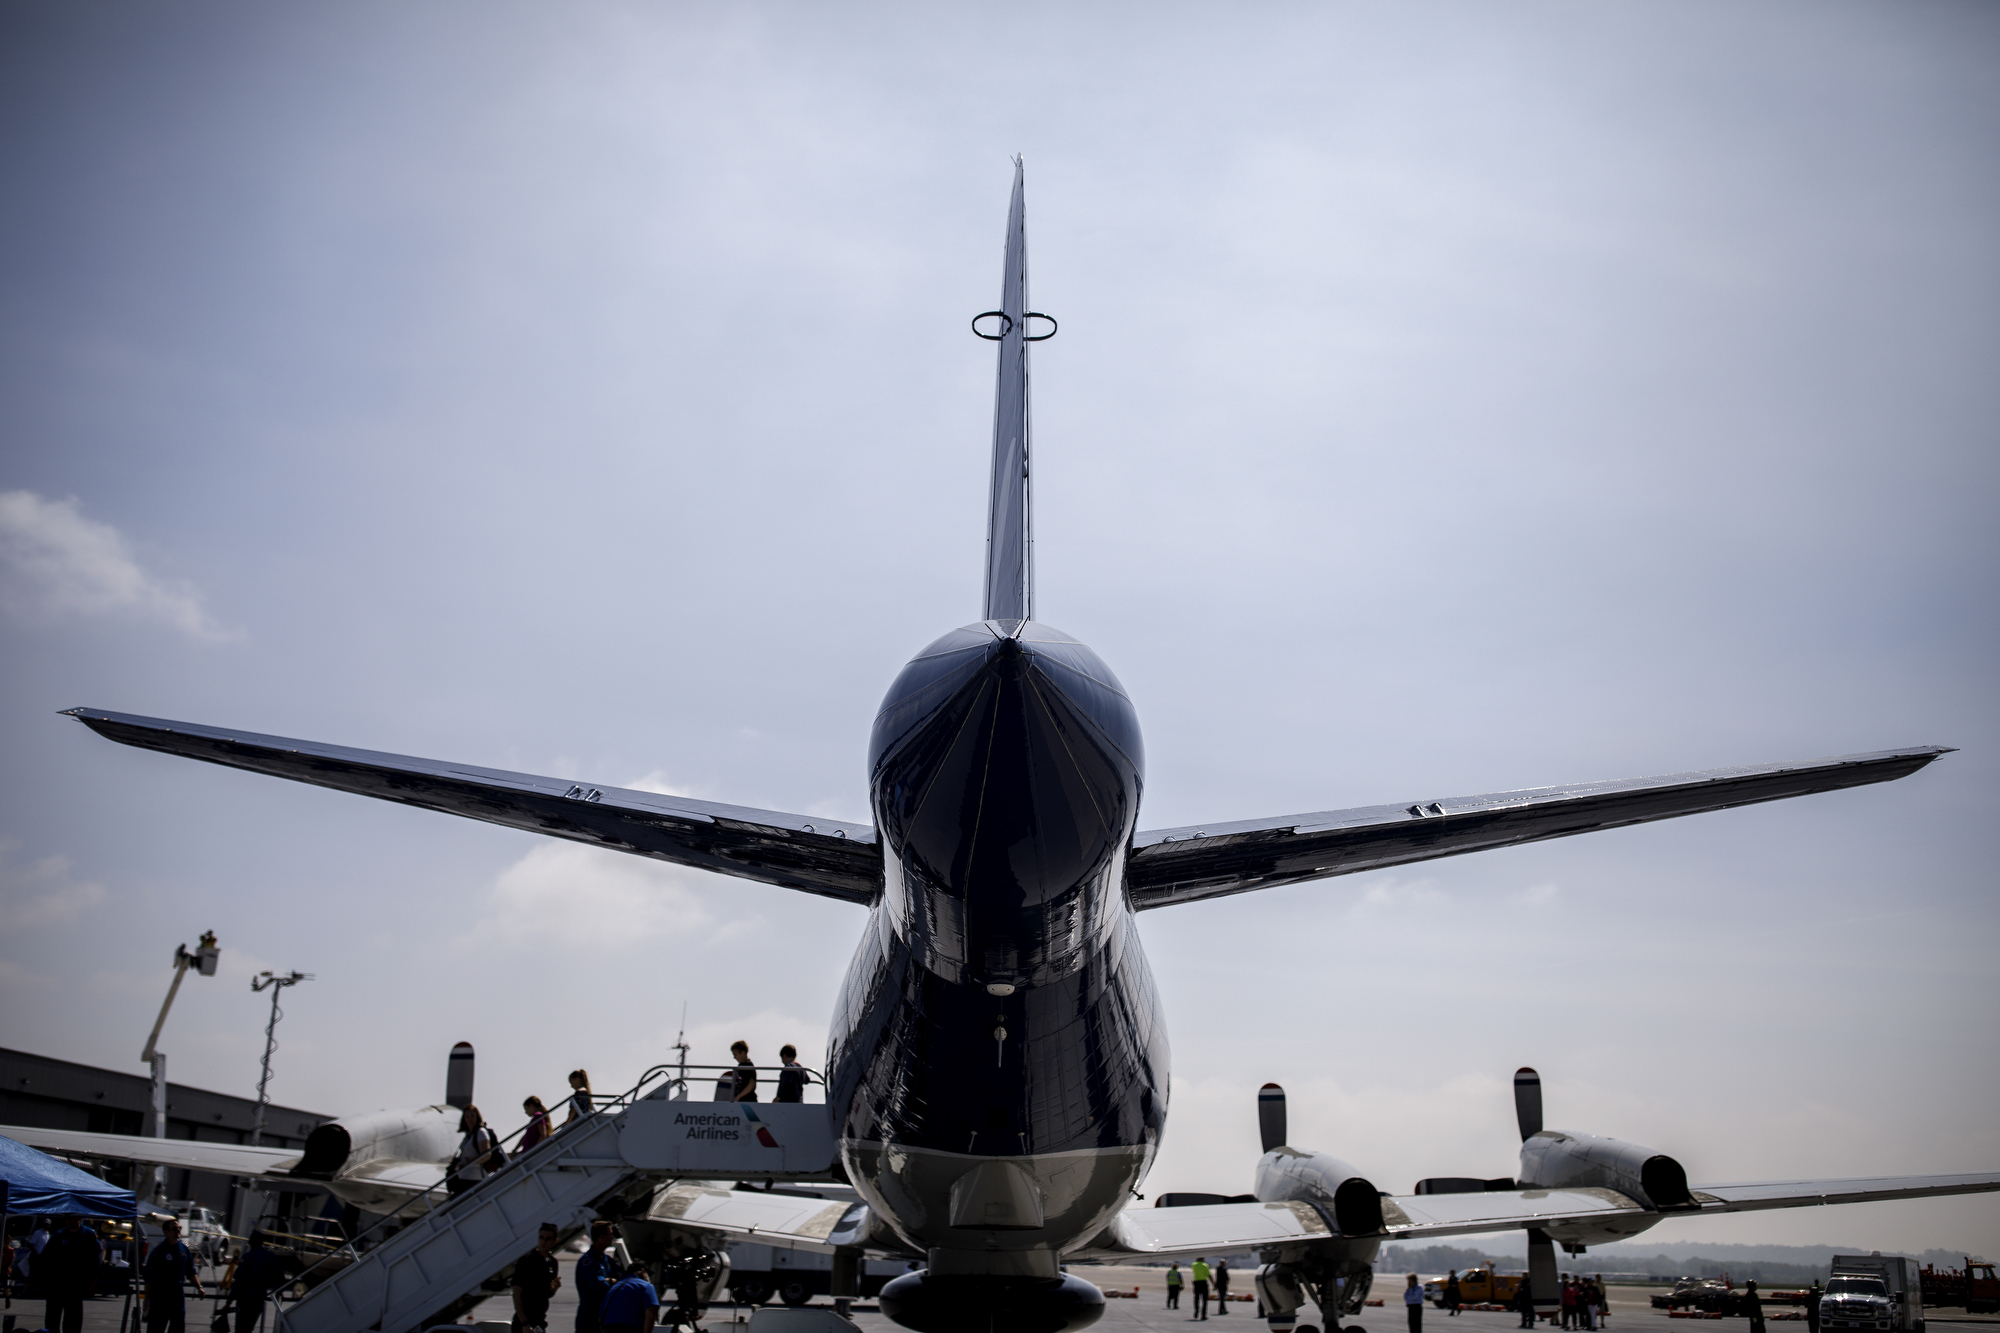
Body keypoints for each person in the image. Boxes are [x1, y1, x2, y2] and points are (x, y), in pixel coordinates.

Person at [144, 1217, 208, 1333]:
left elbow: (190, 1272)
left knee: (177, 1328)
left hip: (176, 1295)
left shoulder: (183, 1250)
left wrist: (199, 1287)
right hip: (160, 1295)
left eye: (179, 1228)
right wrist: (147, 1299)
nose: (178, 1230)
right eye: (175, 1228)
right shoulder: (158, 1251)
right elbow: (149, 1277)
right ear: (166, 1232)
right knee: (156, 1328)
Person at [39, 1215, 100, 1333]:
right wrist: (41, 1279)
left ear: (78, 1219)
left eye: (71, 1219)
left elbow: (95, 1260)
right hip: (56, 1282)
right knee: (52, 1318)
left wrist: (93, 1281)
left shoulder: (88, 1235)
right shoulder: (59, 1235)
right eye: (66, 1219)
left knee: (73, 1319)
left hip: (76, 1283)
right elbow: (44, 1258)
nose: (68, 1222)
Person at [511, 1223, 563, 1333]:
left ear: (555, 1241)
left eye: (548, 1239)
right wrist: (524, 1323)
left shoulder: (552, 1263)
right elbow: (516, 1293)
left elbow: (547, 1294)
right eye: (541, 1238)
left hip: (539, 1320)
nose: (543, 1242)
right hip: (524, 1320)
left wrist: (555, 1288)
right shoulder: (527, 1260)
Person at [230, 1231, 286, 1333]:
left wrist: (229, 1301)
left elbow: (239, 1280)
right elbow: (281, 1278)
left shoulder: (248, 1257)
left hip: (245, 1297)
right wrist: (277, 1291)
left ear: (250, 1242)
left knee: (241, 1329)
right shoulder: (270, 1256)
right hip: (259, 1296)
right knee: (249, 1327)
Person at [575, 1222, 625, 1333]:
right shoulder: (588, 1262)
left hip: (605, 1314)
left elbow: (623, 1280)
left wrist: (611, 1281)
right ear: (601, 1237)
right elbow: (599, 1287)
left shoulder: (607, 1260)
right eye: (610, 1234)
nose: (612, 1237)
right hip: (590, 1316)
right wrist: (613, 1282)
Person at [599, 1264, 661, 1333]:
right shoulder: (646, 1286)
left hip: (606, 1328)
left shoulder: (614, 1288)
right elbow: (650, 1311)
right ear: (643, 1272)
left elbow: (600, 1317)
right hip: (629, 1328)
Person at [452, 1105, 499, 1196]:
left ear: (477, 1117)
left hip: (474, 1179)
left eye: (473, 1116)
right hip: (465, 1177)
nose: (470, 1119)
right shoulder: (469, 1135)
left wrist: (467, 1160)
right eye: (467, 1117)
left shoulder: (481, 1132)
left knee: (453, 1206)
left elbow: (486, 1155)